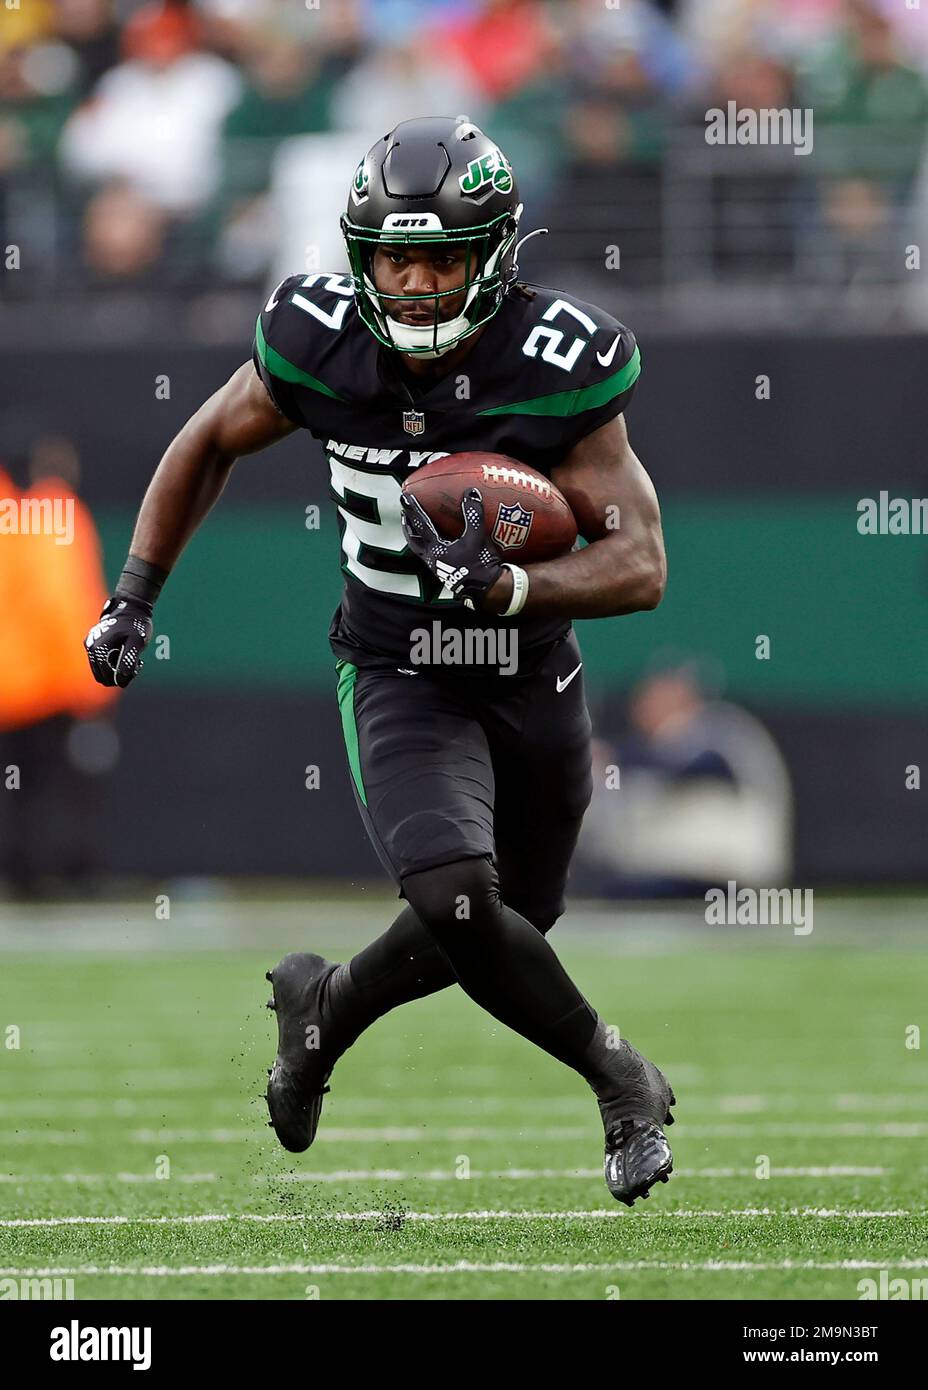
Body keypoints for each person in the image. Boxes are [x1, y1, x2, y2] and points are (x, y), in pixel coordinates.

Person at [84, 116, 674, 1206]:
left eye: (438, 257)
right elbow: (208, 437)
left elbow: (640, 563)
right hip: (398, 663)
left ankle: (323, 1011)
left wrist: (512, 588)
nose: (410, 281)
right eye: (393, 256)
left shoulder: (556, 360)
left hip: (526, 666)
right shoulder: (318, 337)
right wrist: (134, 596)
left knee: (510, 925)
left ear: (493, 253)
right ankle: (616, 1075)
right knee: (455, 895)